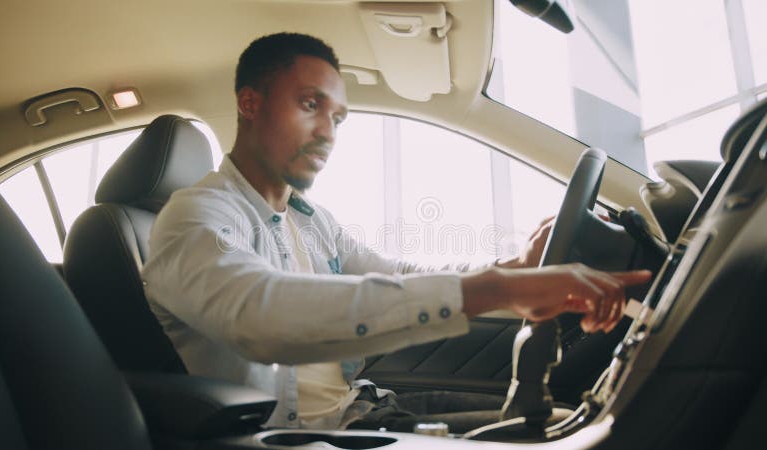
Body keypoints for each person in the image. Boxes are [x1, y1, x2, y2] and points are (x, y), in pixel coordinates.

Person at [141, 32, 651, 432]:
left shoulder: (311, 219)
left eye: (338, 117)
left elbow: (397, 275)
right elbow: (260, 316)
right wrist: (500, 289)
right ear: (250, 104)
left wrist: (518, 268)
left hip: (365, 411)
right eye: (310, 105)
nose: (328, 133)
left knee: (569, 419)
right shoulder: (194, 217)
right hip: (299, 435)